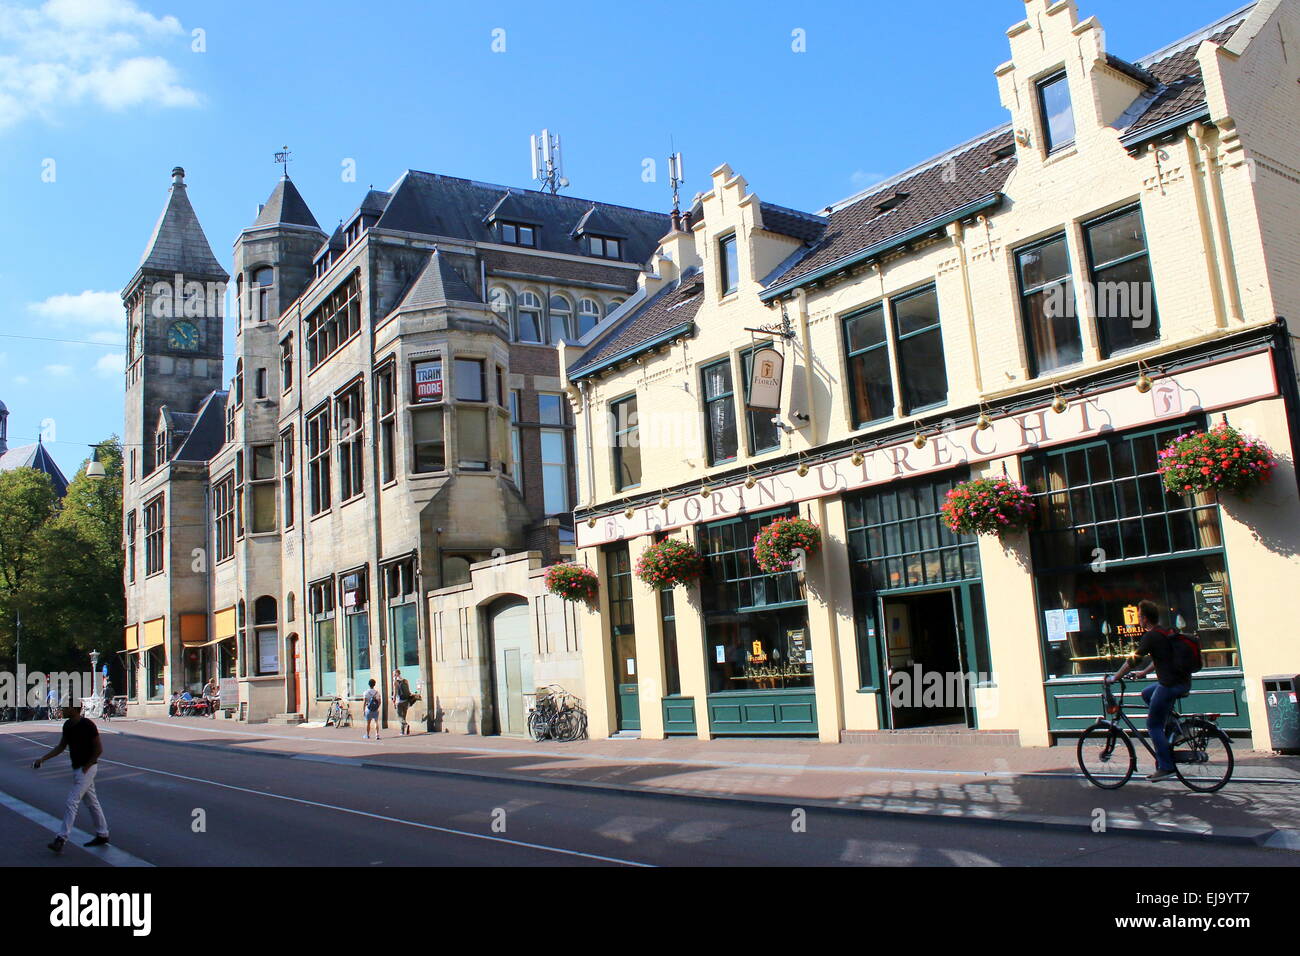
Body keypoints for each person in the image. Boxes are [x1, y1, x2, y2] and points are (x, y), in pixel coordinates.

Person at [1107, 599, 1192, 782]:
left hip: (1169, 685)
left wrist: (1116, 677)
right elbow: (1161, 659)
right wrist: (1144, 673)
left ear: (1145, 618)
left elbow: (1133, 660)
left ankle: (1166, 766)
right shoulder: (1165, 631)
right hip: (1182, 681)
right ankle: (1170, 726)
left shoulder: (1151, 636)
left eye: (1138, 615)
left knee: (1153, 725)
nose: (1138, 618)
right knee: (1146, 693)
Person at [33, 699, 110, 853]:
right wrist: (43, 758)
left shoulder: (88, 725)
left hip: (87, 768)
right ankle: (102, 834)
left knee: (72, 801)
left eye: (65, 707)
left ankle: (61, 838)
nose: (63, 709)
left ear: (74, 709)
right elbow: (61, 746)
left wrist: (87, 766)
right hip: (78, 768)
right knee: (92, 802)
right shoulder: (67, 725)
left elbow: (98, 749)